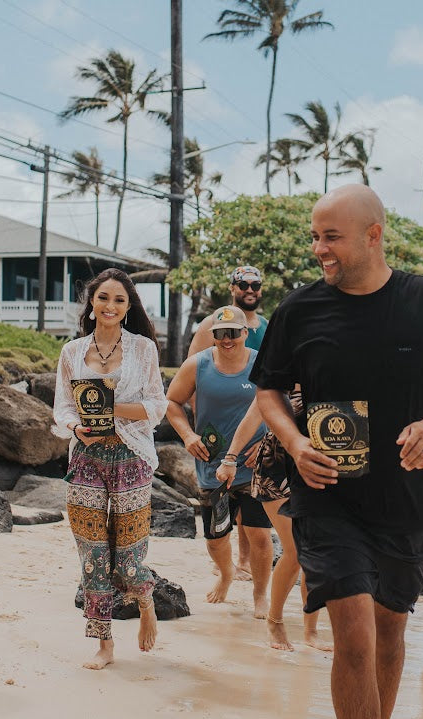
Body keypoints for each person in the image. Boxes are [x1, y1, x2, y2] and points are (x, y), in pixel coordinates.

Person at [252, 185, 423, 719]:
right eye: (315, 236)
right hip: (326, 494)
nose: (319, 249)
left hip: (403, 496)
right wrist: (294, 443)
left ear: (373, 234)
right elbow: (267, 391)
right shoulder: (300, 309)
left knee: (387, 632)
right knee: (350, 631)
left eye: (331, 237)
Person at [51, 268, 169, 670]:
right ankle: (104, 643)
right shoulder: (71, 352)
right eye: (104, 298)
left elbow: (157, 406)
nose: (111, 306)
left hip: (131, 457)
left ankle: (146, 600)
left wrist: (109, 407)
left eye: (120, 300)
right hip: (86, 458)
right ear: (92, 303)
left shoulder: (143, 350)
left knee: (129, 558)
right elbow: (63, 407)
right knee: (92, 554)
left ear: (128, 306)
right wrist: (75, 426)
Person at [164, 305, 273, 616]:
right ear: (213, 336)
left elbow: (278, 405)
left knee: (260, 535)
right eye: (221, 334)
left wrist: (268, 442)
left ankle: (260, 595)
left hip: (253, 465)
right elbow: (172, 402)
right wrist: (187, 435)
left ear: (245, 333)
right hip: (212, 465)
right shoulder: (197, 365)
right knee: (215, 538)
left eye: (234, 333)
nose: (227, 340)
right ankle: (225, 575)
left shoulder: (261, 364)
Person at [219, 389, 332, 653]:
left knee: (315, 550)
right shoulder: (281, 380)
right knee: (297, 549)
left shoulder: (335, 376)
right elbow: (253, 416)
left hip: (321, 465)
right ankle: (275, 621)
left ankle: (310, 631)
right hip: (277, 467)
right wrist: (230, 459)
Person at [186, 264, 269, 356]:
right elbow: (192, 365)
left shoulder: (267, 326)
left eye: (255, 285)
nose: (250, 290)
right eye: (243, 285)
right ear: (232, 289)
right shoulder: (213, 323)